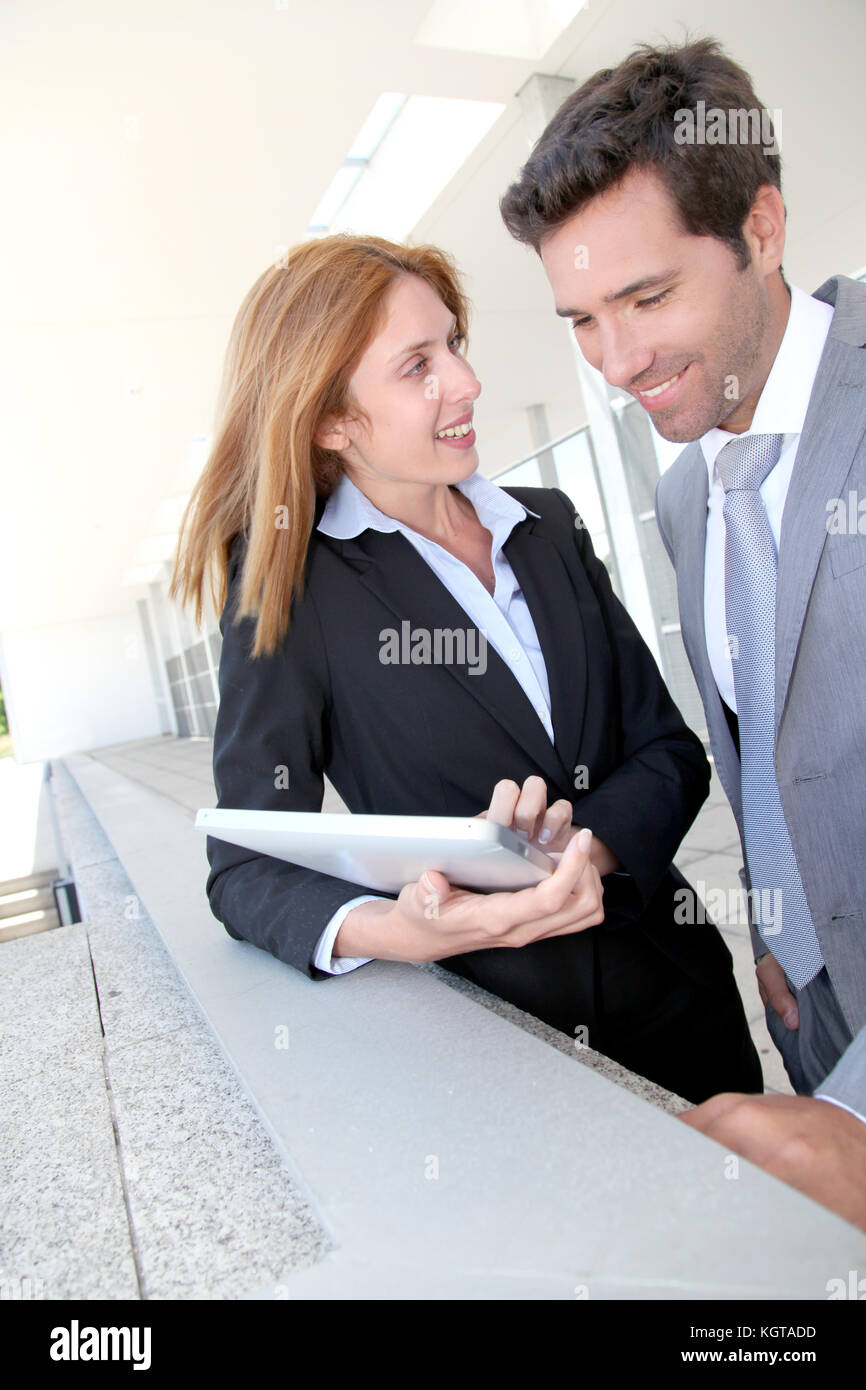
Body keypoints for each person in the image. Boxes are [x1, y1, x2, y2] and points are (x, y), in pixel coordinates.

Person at [169, 232, 762, 1106]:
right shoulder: (291, 592)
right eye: (417, 366)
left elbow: (670, 752)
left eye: (454, 344)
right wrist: (402, 930)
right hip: (507, 1048)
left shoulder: (549, 525)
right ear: (332, 419)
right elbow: (246, 867)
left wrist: (582, 853)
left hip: (683, 1001)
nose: (466, 381)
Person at [499, 36, 866, 1231]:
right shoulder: (683, 492)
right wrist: (785, 947)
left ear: (759, 228)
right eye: (581, 321)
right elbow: (768, 744)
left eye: (647, 298)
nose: (617, 363)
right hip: (809, 1021)